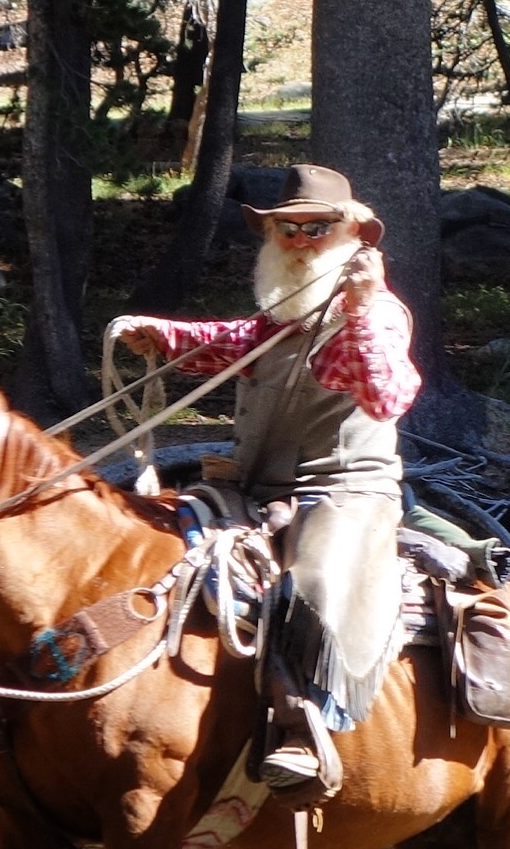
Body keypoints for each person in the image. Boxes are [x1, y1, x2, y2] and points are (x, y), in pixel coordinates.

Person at [110, 164, 421, 799]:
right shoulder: (285, 314)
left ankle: (303, 725)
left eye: (316, 227)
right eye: (287, 228)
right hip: (252, 487)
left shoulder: (377, 314)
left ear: (353, 234)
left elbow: (388, 393)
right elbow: (235, 342)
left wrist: (361, 306)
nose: (300, 238)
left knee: (313, 576)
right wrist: (163, 335)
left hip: (345, 488)